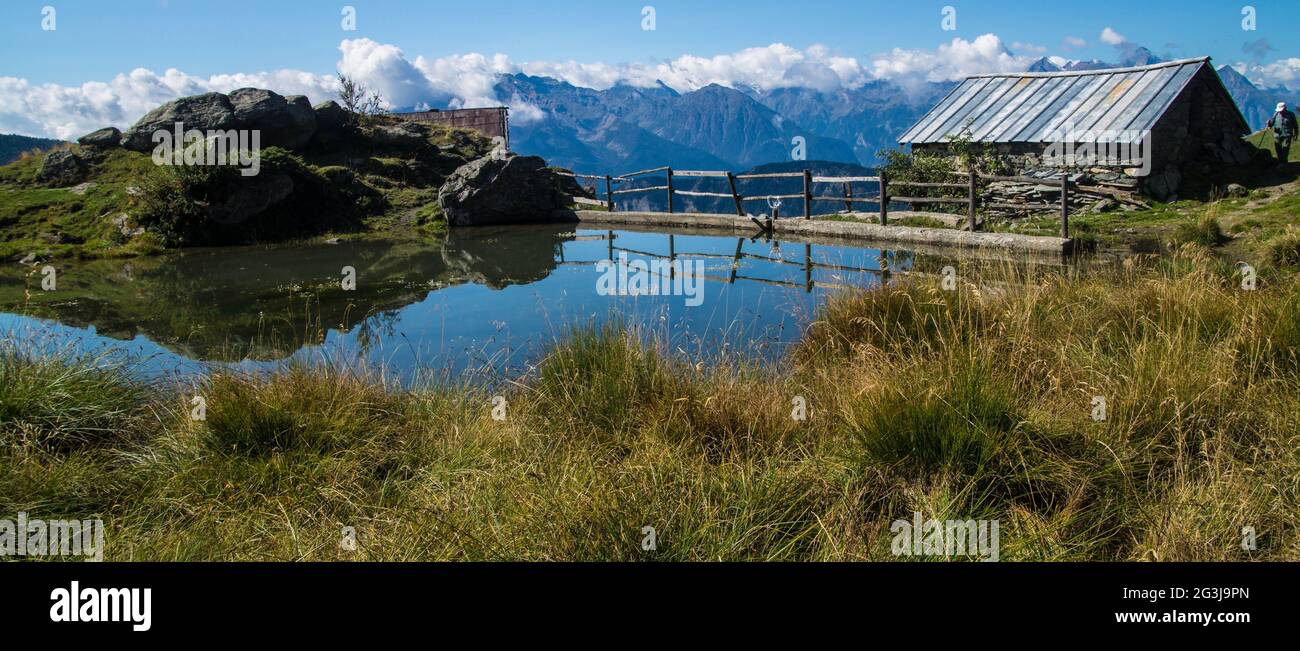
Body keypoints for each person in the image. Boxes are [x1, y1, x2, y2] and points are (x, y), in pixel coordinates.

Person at [1266, 101, 1298, 166]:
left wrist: (1296, 134)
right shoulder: (1276, 114)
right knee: (1278, 148)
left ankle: (1283, 162)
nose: (1280, 111)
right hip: (1277, 135)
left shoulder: (1291, 114)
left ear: (1285, 108)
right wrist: (1269, 123)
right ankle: (1280, 161)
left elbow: (1295, 125)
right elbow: (1271, 124)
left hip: (1287, 134)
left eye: (1282, 110)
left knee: (1285, 148)